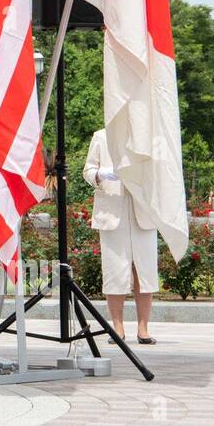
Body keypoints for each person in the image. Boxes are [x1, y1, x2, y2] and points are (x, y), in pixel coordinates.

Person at [83, 128, 157, 344]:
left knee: (145, 271)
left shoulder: (148, 135)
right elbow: (88, 170)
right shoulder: (101, 136)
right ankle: (117, 327)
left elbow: (160, 170)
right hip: (111, 211)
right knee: (115, 270)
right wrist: (101, 174)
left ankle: (143, 328)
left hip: (143, 211)